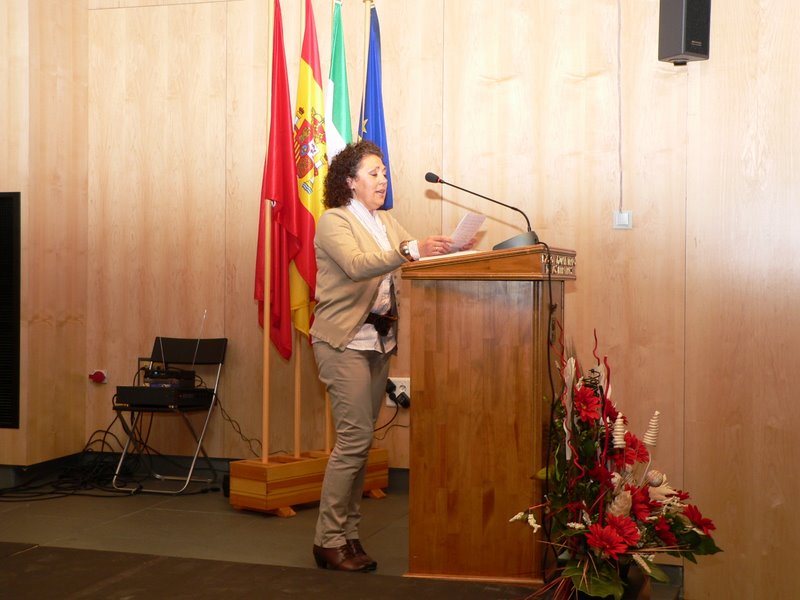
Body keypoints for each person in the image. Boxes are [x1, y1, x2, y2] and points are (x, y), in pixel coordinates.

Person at [310, 140, 467, 572]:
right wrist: (411, 248)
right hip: (343, 342)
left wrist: (450, 249)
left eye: (384, 172)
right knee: (354, 440)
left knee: (360, 444)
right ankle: (327, 539)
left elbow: (411, 258)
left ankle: (349, 536)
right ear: (350, 181)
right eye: (373, 173)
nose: (383, 180)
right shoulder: (334, 221)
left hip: (378, 343)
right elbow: (360, 264)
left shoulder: (384, 221)